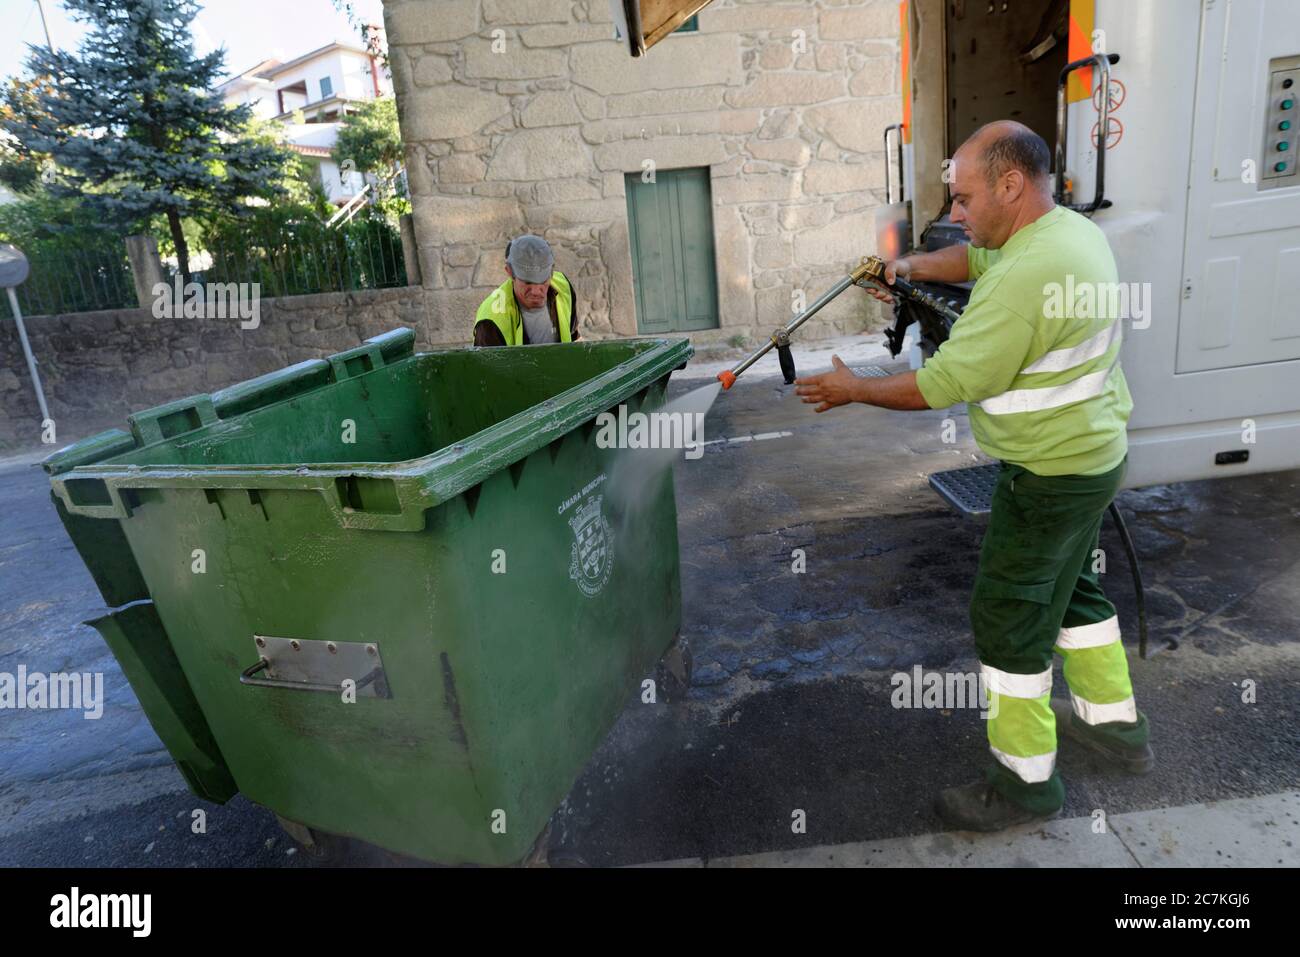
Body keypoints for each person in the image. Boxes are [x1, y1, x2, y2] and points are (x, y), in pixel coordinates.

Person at [794, 120, 1152, 832]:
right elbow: (975, 263)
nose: (954, 215)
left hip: (1050, 474)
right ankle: (1115, 732)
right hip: (1092, 456)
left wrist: (853, 389)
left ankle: (1024, 787)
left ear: (1011, 184)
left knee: (1010, 618)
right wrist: (910, 269)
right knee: (1072, 590)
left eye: (962, 199)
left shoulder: (1025, 277)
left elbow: (941, 382)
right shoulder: (1066, 236)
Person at [473, 234, 580, 346]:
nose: (536, 291)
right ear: (509, 271)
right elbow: (486, 363)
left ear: (551, 273)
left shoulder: (563, 286)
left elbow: (574, 340)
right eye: (527, 282)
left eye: (542, 281)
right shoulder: (491, 320)